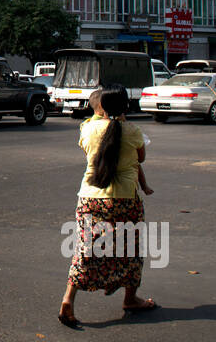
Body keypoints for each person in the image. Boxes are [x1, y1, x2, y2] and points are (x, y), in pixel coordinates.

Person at [59, 83, 157, 328]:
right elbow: (141, 158)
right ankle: (130, 298)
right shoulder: (132, 130)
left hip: (90, 197)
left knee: (86, 249)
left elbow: (86, 150)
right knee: (131, 250)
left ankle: (68, 299)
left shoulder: (88, 128)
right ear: (125, 106)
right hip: (125, 199)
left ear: (100, 106)